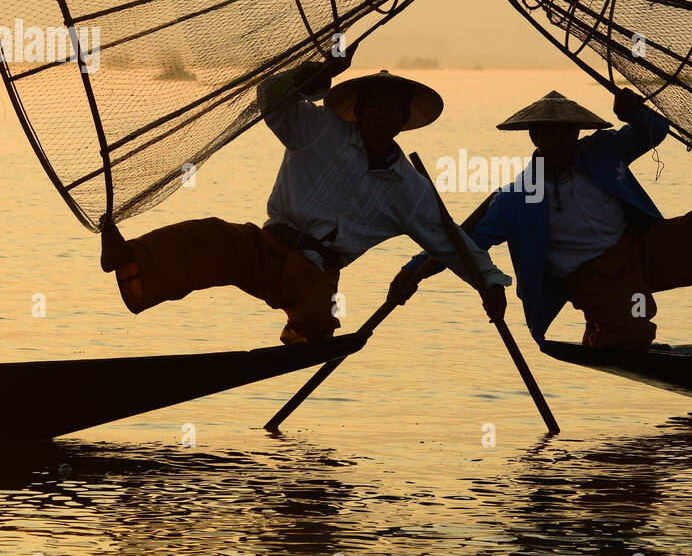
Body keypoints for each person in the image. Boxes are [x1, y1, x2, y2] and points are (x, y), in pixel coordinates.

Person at [99, 49, 510, 344]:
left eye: (392, 110)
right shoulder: (320, 127)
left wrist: (488, 282)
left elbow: (450, 240)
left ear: (404, 120)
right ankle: (127, 258)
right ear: (359, 110)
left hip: (315, 270)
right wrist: (310, 73)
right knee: (205, 237)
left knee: (316, 321)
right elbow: (270, 99)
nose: (383, 115)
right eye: (376, 107)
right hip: (266, 244)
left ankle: (300, 339)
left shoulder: (409, 188)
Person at [389, 89, 692, 350]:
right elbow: (459, 241)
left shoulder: (600, 151)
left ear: (576, 133)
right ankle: (600, 334)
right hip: (593, 277)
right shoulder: (516, 197)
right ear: (535, 138)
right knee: (628, 337)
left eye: (567, 133)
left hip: (642, 248)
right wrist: (412, 273)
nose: (561, 141)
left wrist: (632, 111)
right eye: (551, 134)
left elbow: (654, 131)